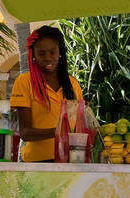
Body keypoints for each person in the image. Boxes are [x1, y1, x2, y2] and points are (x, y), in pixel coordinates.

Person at [10, 25, 84, 163]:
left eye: (52, 52)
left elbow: (79, 127)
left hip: (71, 161)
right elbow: (25, 133)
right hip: (37, 163)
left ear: (60, 52)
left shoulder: (73, 84)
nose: (48, 58)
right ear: (34, 56)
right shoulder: (24, 81)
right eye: (42, 53)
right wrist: (58, 132)